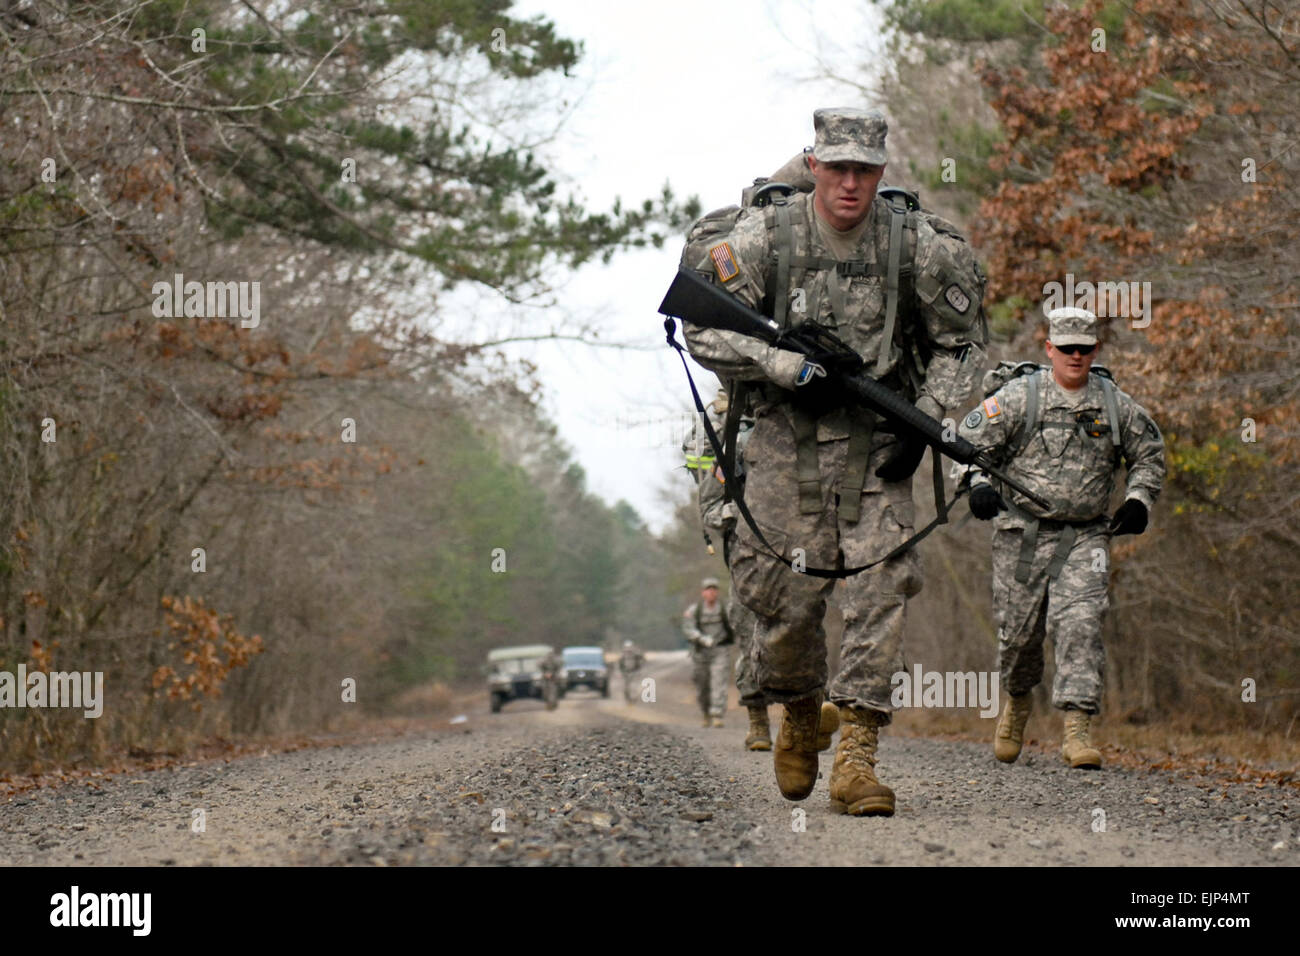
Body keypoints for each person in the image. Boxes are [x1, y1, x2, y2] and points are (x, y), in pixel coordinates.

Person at [681, 107, 988, 816]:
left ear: (882, 175)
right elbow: (700, 325)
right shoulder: (765, 239)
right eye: (838, 167)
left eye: (866, 170)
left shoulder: (913, 248)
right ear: (813, 164)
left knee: (880, 588)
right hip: (785, 440)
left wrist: (931, 416)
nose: (851, 183)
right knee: (782, 606)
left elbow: (961, 341)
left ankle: (857, 756)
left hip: (878, 440)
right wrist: (786, 366)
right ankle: (797, 709)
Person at [957, 307, 1166, 769]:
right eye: (1066, 347)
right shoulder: (1018, 398)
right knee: (1018, 636)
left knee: (1081, 624)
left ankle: (1076, 728)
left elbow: (1149, 454)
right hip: (1021, 534)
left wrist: (1138, 500)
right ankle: (1016, 701)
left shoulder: (1115, 406)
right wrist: (977, 484)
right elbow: (966, 443)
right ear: (1049, 348)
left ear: (1095, 350)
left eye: (1083, 348)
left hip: (1085, 536)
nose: (1075, 356)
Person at [682, 389, 774, 748]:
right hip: (746, 545)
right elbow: (708, 507)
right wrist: (737, 513)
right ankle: (757, 718)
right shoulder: (721, 431)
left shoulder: (790, 413)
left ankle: (809, 709)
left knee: (804, 618)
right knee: (747, 624)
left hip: (797, 539)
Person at [682, 577, 737, 727]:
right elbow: (688, 628)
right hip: (700, 652)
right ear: (703, 593)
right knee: (702, 685)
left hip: (720, 650)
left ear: (717, 592)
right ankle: (705, 712)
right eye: (708, 589)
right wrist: (701, 638)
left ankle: (717, 714)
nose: (711, 592)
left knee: (718, 682)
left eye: (714, 589)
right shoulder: (695, 610)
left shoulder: (725, 610)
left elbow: (734, 625)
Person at [618, 640, 646, 705]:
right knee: (626, 688)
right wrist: (622, 672)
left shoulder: (636, 655)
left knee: (634, 687)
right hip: (626, 673)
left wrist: (639, 668)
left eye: (629, 647)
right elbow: (620, 664)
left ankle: (633, 699)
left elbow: (643, 659)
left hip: (634, 673)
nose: (628, 649)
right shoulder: (623, 656)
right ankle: (628, 699)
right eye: (626, 648)